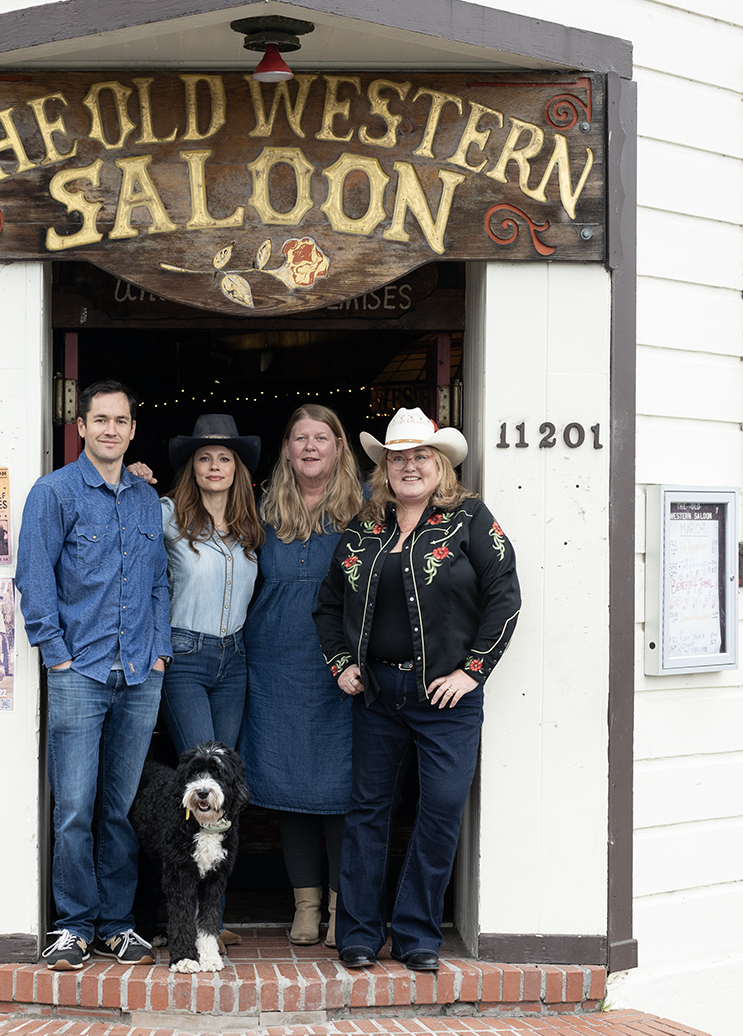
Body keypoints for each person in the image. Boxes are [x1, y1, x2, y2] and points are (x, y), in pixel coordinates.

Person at [313, 408, 520, 973]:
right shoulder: (365, 525)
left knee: (442, 808)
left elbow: (505, 597)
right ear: (384, 468)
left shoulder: (471, 520)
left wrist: (472, 671)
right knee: (368, 812)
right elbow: (329, 603)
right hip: (378, 691)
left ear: (441, 464)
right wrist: (341, 663)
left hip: (445, 699)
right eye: (398, 458)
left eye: (420, 456)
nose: (409, 466)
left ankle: (415, 933)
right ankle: (358, 933)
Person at [15, 379, 170, 972]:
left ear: (133, 430)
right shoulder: (53, 494)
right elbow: (35, 576)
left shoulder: (143, 500)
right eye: (99, 420)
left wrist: (157, 651)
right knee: (76, 804)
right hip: (79, 669)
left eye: (120, 421)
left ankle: (118, 925)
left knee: (121, 806)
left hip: (140, 672)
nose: (110, 429)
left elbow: (158, 580)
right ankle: (75, 925)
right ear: (81, 427)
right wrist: (56, 653)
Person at [241, 405, 364, 946]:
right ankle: (306, 905)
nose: (310, 447)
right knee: (288, 785)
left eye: (322, 437)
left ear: (339, 447)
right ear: (287, 449)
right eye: (300, 438)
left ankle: (342, 907)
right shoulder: (263, 511)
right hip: (275, 665)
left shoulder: (366, 511)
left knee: (341, 786)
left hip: (340, 667)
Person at [157, 415, 264, 759]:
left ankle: (221, 818)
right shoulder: (168, 515)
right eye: (204, 458)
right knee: (203, 766)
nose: (214, 466)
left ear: (237, 469)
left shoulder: (250, 526)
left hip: (235, 659)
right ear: (192, 468)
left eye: (224, 458)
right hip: (185, 656)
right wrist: (131, 479)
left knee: (224, 773)